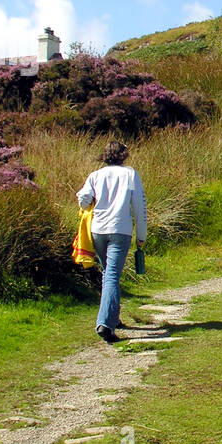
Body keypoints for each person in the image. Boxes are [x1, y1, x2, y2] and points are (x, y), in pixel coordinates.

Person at [76, 140, 147, 343]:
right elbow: (140, 208)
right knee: (112, 276)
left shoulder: (95, 175)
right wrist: (141, 237)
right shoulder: (130, 174)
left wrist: (91, 202)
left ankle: (114, 318)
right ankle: (104, 324)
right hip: (121, 230)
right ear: (123, 156)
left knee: (109, 274)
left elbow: (83, 199)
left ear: (105, 156)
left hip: (97, 230)